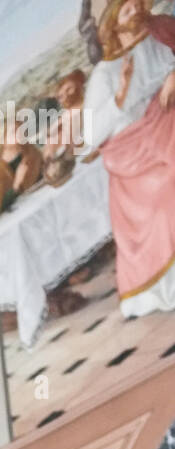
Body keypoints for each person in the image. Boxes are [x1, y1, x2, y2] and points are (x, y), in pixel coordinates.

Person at [82, 0, 175, 317]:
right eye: (126, 9)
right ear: (113, 25)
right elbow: (92, 138)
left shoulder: (156, 45)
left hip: (161, 131)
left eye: (137, 4)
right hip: (134, 160)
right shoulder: (105, 74)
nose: (136, 10)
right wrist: (120, 98)